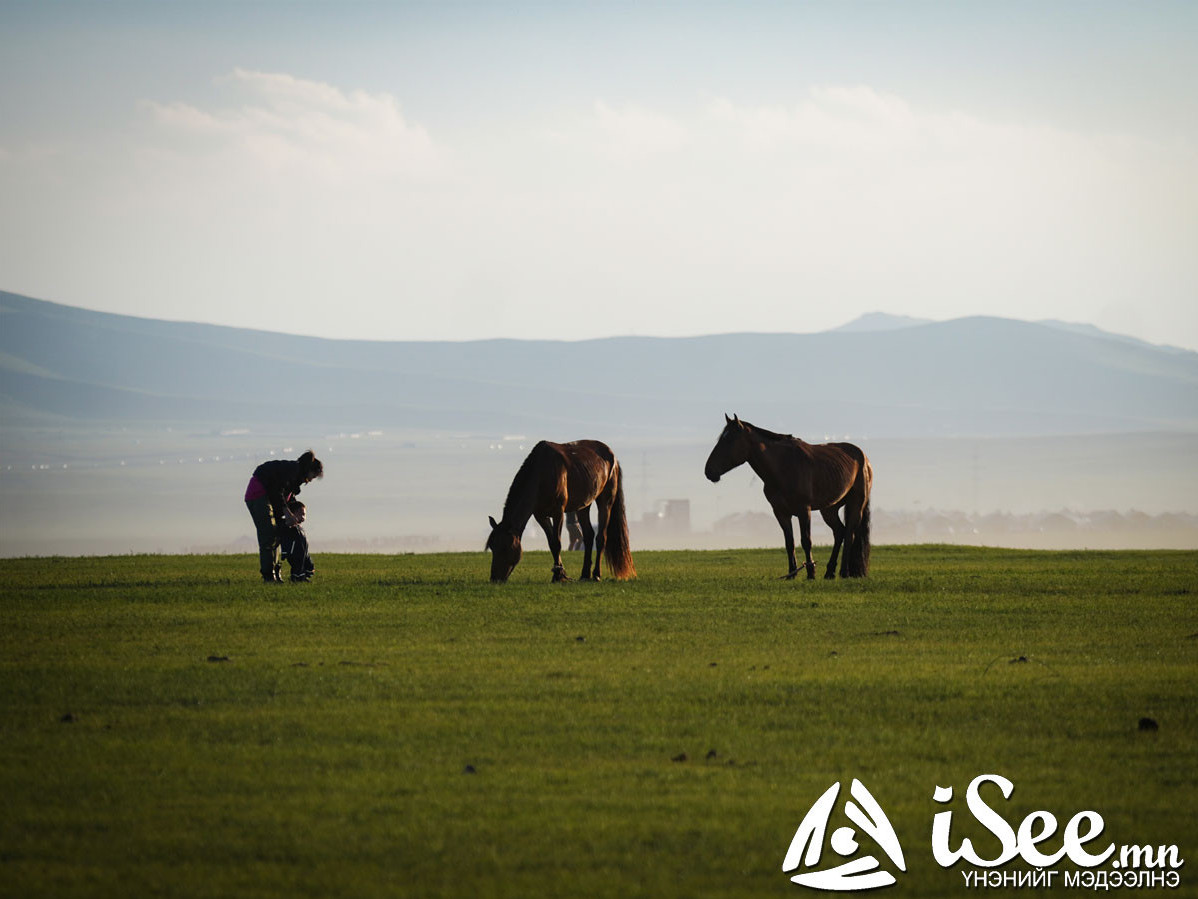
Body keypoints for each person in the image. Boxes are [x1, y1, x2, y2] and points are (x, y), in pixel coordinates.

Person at [244, 450, 323, 583]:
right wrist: (287, 513)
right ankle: (268, 576)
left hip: (267, 497)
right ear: (309, 470)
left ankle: (275, 572)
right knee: (268, 536)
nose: (309, 481)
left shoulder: (294, 474)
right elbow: (277, 492)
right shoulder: (292, 471)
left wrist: (295, 511)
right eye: (312, 477)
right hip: (258, 494)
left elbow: (285, 496)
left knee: (277, 535)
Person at [278, 499, 315, 583]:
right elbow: (285, 539)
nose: (302, 517)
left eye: (304, 515)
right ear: (292, 514)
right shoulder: (289, 526)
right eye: (300, 514)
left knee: (309, 566)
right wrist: (285, 553)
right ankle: (296, 579)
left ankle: (302, 577)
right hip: (294, 553)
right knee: (297, 566)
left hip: (303, 553)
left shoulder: (299, 528)